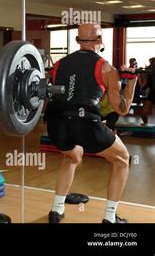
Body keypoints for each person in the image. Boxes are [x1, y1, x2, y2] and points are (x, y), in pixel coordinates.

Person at [45, 23, 137, 223]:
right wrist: (131, 81)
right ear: (100, 41)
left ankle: (57, 209)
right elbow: (122, 109)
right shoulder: (106, 67)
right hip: (85, 124)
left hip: (55, 125)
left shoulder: (59, 64)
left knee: (72, 156)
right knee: (122, 159)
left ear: (78, 41)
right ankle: (110, 217)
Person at [135, 57, 155, 124]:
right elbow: (142, 86)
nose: (151, 64)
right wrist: (139, 76)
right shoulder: (149, 73)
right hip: (152, 94)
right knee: (143, 112)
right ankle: (145, 124)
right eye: (151, 63)